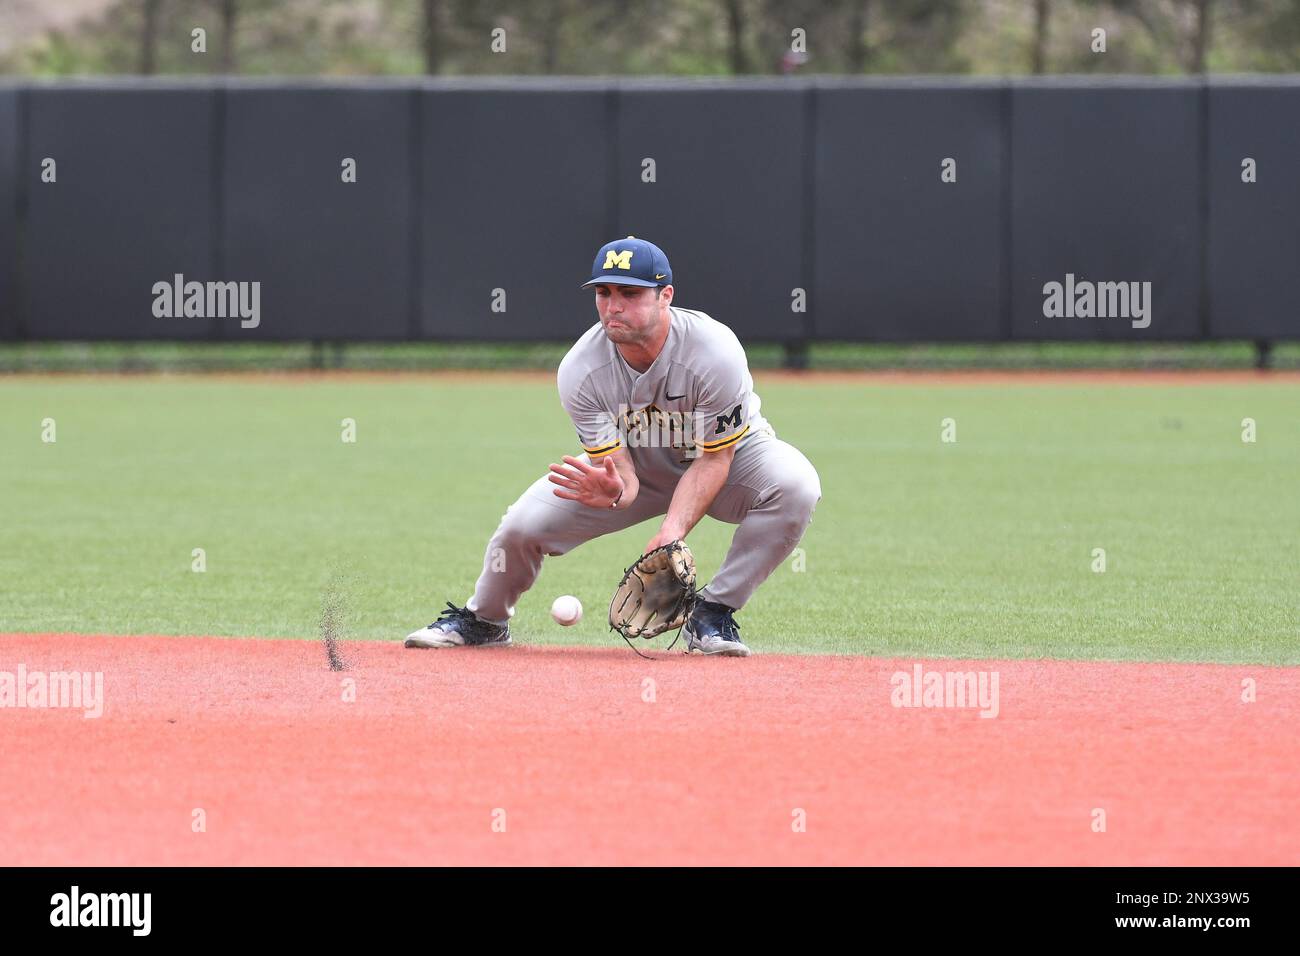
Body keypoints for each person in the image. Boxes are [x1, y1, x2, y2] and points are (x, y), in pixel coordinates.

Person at [405, 236, 821, 656]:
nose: (613, 305)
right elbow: (623, 474)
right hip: (639, 463)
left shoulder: (714, 351)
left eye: (630, 292)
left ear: (666, 296)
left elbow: (715, 458)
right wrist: (616, 491)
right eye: (603, 292)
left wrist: (671, 533)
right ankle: (484, 620)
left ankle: (713, 610)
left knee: (796, 485)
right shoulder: (581, 370)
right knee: (520, 528)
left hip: (731, 458)